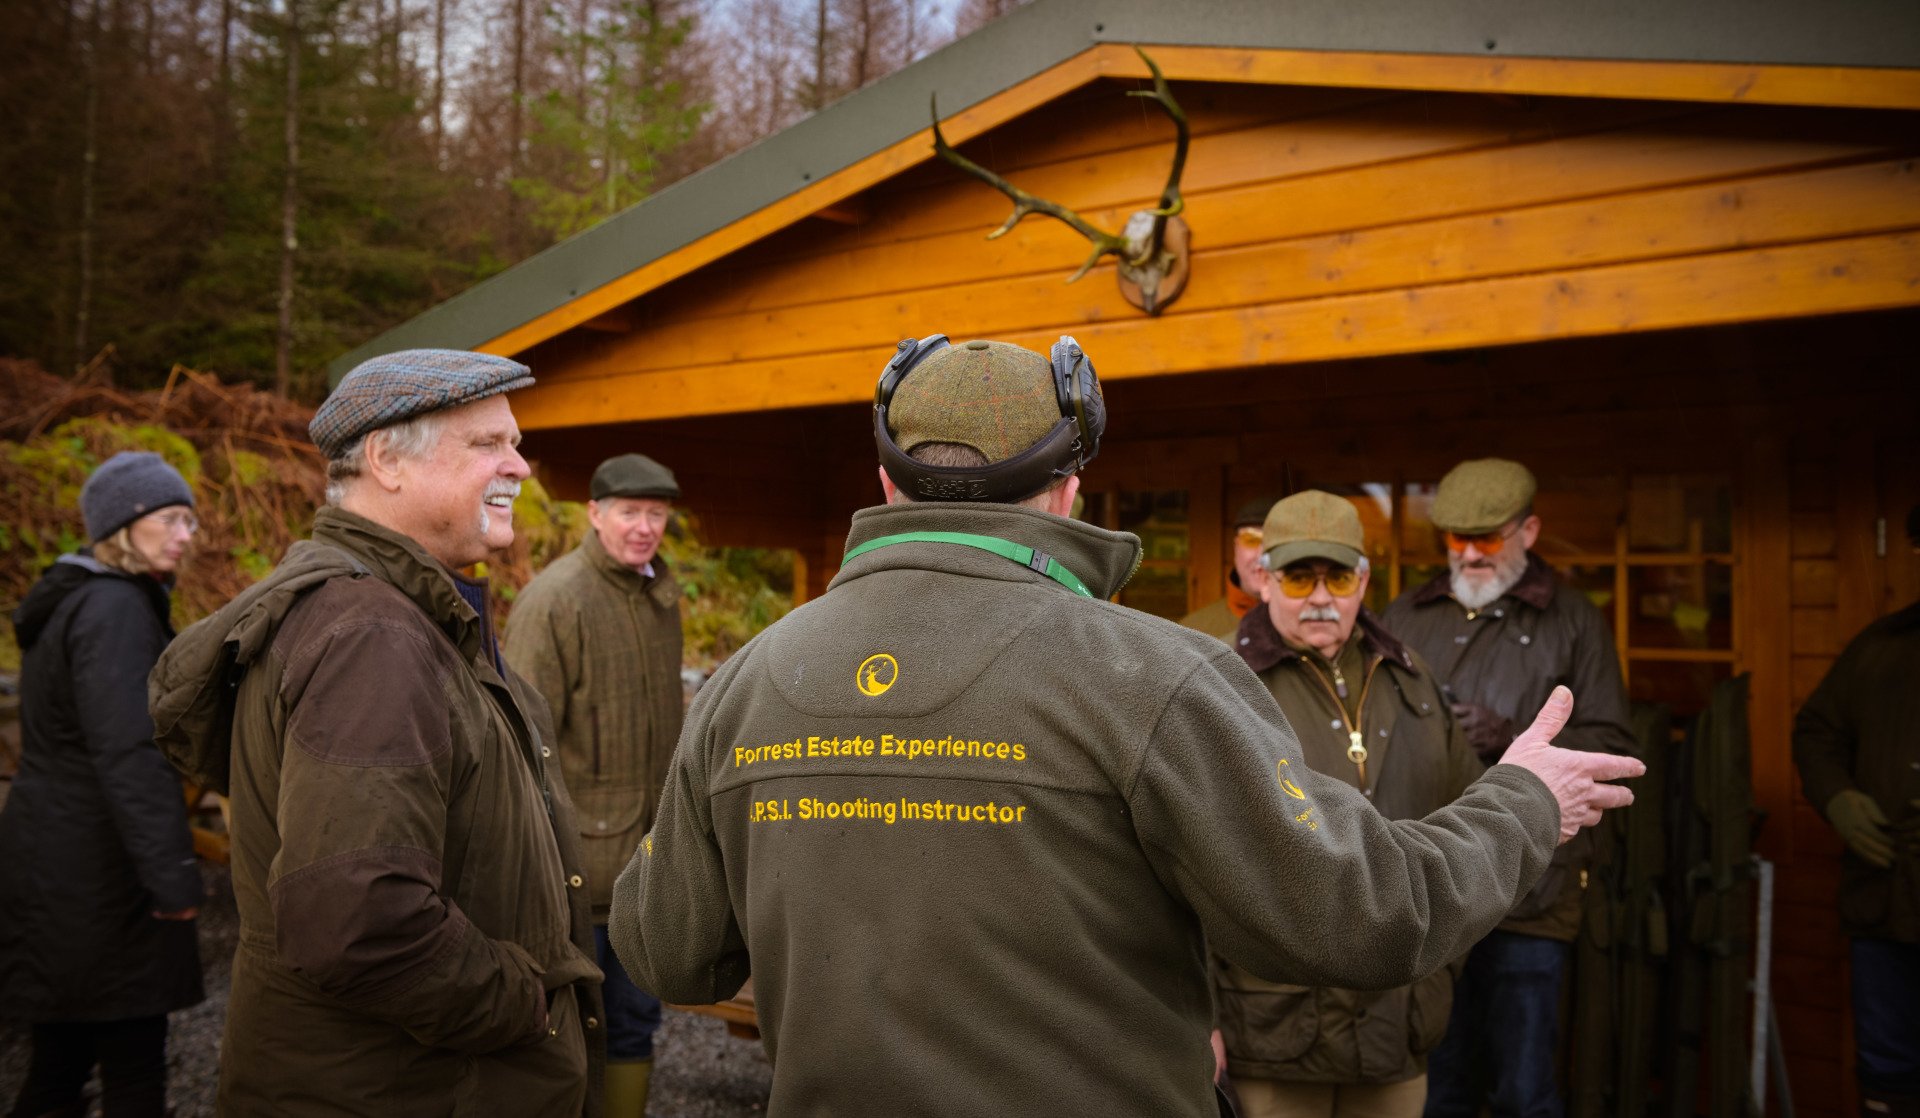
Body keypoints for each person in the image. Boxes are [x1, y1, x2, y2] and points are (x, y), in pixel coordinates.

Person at [609, 334, 1644, 1116]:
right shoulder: (1152, 675)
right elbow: (1368, 916)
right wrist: (1524, 801)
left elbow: (667, 953)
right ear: (1069, 489)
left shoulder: (750, 679)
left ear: (886, 483)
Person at [147, 350, 603, 1116]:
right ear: (387, 460)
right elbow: (356, 920)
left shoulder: (404, 618)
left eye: (515, 443)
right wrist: (528, 1006)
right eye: (488, 443)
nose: (519, 466)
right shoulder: (370, 634)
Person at [1213, 491, 1483, 1118]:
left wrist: (1441, 967)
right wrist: (1201, 1015)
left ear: (1362, 581)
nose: (1320, 597)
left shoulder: (1412, 678)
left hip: (1398, 1025)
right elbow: (1177, 860)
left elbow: (1465, 824)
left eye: (1336, 578)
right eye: (1298, 578)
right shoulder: (1218, 681)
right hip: (1273, 1028)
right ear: (1264, 580)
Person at [1381, 458, 1636, 1118]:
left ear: (1530, 531)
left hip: (1535, 890)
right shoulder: (1405, 614)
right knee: (1438, 1084)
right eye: (1456, 538)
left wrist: (1508, 736)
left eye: (1487, 538)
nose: (1469, 554)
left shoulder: (1575, 620)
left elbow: (1611, 745)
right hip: (1433, 882)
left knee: (1523, 1091)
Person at [0, 452, 204, 1118]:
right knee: (132, 1068)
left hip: (56, 859)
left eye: (190, 521)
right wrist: (172, 878)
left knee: (58, 1064)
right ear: (123, 524)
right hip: (99, 871)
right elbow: (129, 752)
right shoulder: (113, 606)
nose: (185, 535)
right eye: (169, 519)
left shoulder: (77, 597)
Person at [505, 453, 685, 1117]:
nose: (644, 527)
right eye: (630, 512)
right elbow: (520, 749)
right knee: (567, 1034)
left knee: (635, 1024)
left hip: (648, 868)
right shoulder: (554, 602)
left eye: (656, 514)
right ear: (595, 514)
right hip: (577, 877)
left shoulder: (660, 595)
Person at [1791, 504, 1920, 1118]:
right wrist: (1836, 797)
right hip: (1885, 901)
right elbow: (1817, 731)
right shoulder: (1882, 646)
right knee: (1888, 1081)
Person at [1180, 499, 1274, 642]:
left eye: (1273, 542)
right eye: (1251, 540)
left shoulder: (1307, 627)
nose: (1261, 555)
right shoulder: (1192, 631)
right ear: (1235, 548)